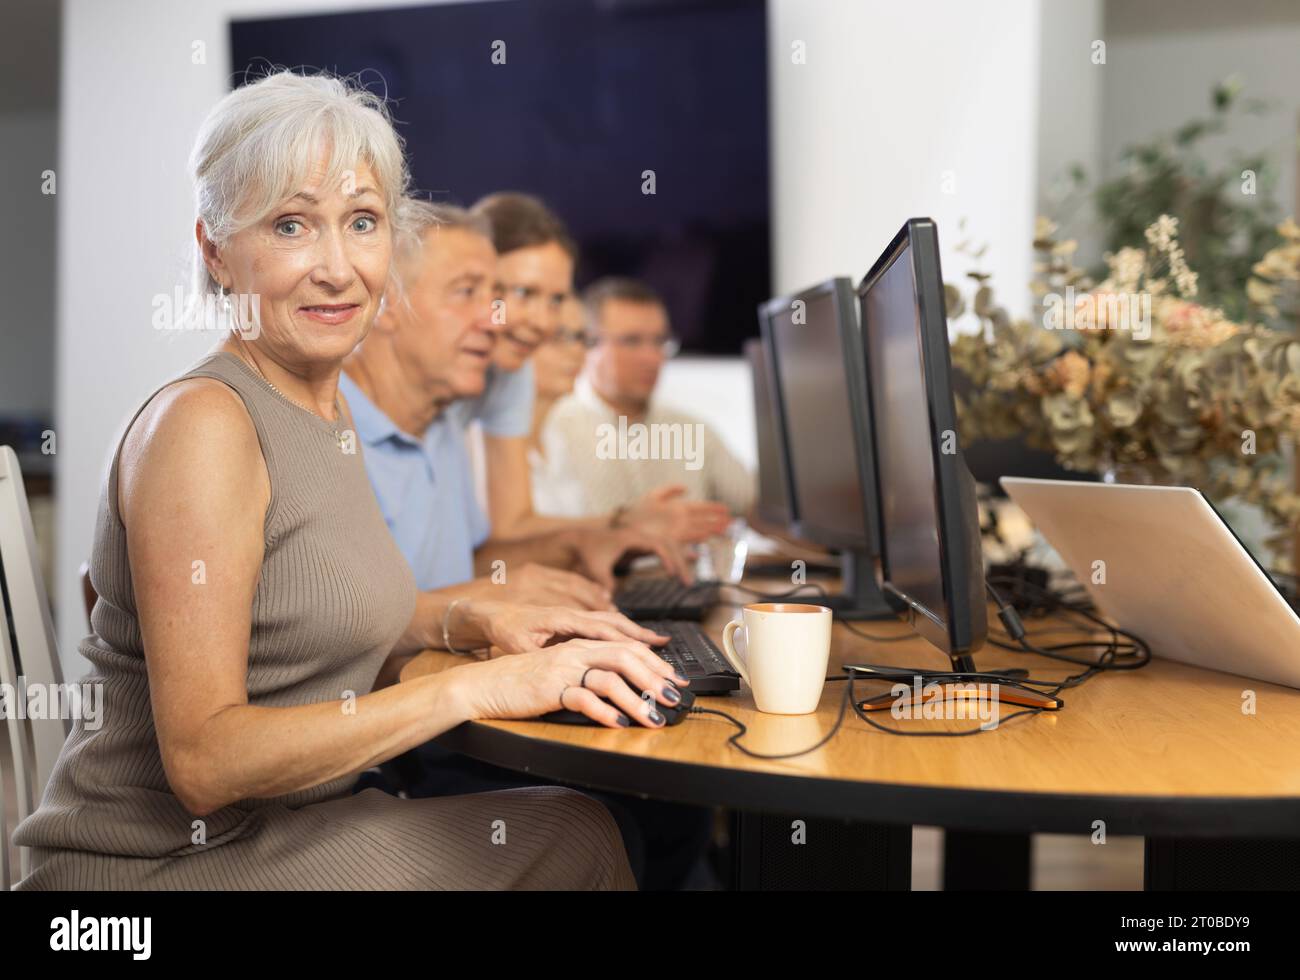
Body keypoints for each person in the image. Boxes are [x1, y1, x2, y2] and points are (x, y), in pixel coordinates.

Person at [12, 71, 686, 891]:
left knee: (573, 826)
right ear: (216, 250)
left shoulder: (323, 410)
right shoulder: (206, 424)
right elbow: (205, 760)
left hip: (288, 822)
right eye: (292, 225)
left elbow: (303, 619)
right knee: (574, 837)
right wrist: (481, 686)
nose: (337, 268)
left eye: (361, 223)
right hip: (152, 867)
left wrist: (469, 618)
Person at [342, 199, 716, 889]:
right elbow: (357, 633)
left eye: (500, 296)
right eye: (474, 295)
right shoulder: (328, 431)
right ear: (388, 303)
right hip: (387, 744)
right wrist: (495, 604)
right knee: (629, 817)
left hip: (434, 697)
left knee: (673, 807)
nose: (504, 321)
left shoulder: (450, 408)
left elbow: (486, 551)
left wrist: (525, 587)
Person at [469, 192, 731, 546]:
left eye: (556, 300)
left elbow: (511, 531)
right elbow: (501, 542)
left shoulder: (509, 393)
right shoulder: (490, 403)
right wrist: (623, 527)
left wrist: (624, 532)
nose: (543, 322)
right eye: (523, 292)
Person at [537, 276, 756, 518]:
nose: (652, 358)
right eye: (632, 341)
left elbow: (755, 503)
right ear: (588, 344)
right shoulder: (552, 431)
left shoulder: (694, 432)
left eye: (660, 341)